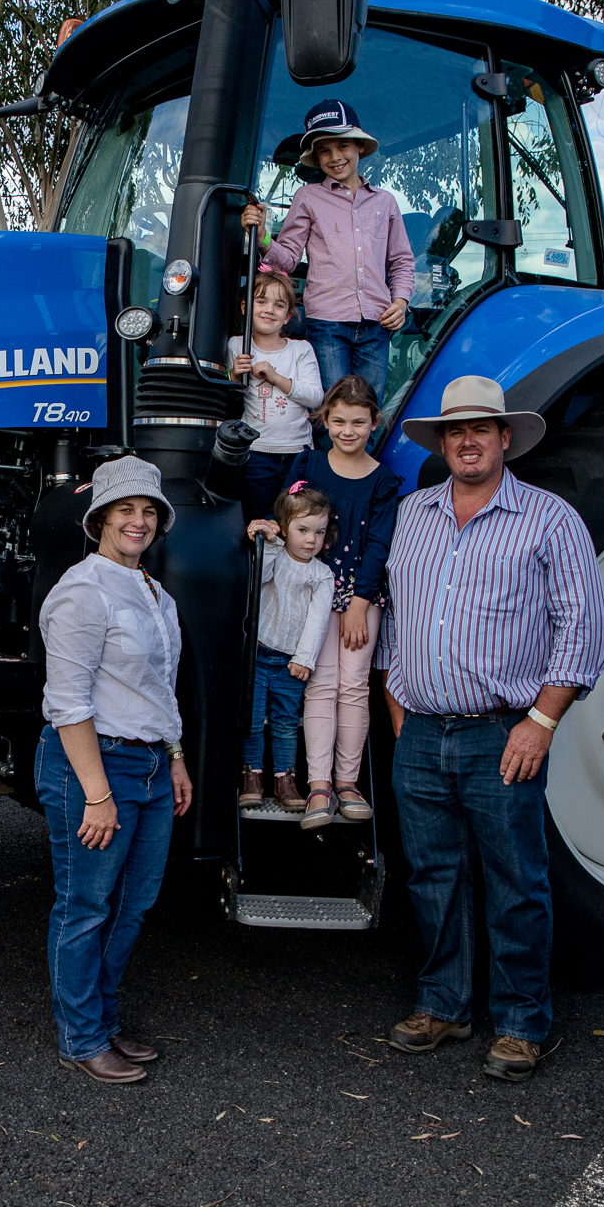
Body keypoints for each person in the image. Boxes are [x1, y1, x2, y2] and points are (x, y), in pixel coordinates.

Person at [379, 375, 604, 1083]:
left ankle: (519, 1022)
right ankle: (443, 1005)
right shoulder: (413, 513)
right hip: (420, 732)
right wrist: (397, 700)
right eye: (456, 430)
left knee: (516, 881)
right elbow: (395, 614)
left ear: (506, 437)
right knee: (432, 878)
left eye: (481, 428)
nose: (468, 441)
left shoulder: (550, 519)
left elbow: (583, 626)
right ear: (443, 442)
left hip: (501, 733)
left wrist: (541, 721)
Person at [36, 455, 195, 1085]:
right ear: (100, 518)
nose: (138, 521)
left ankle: (102, 1021)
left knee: (133, 904)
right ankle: (81, 1038)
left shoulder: (157, 594)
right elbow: (67, 703)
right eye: (125, 509)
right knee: (85, 906)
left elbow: (160, 689)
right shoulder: (82, 591)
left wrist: (175, 758)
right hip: (94, 765)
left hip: (150, 764)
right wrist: (97, 794)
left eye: (148, 511)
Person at [249, 376, 402, 830]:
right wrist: (265, 527)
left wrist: (359, 604)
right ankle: (318, 784)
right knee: (320, 684)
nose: (348, 431)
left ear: (374, 423)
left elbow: (378, 545)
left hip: (359, 595)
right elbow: (284, 515)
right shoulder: (309, 463)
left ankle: (347, 782)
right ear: (325, 420)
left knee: (353, 685)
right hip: (309, 591)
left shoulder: (383, 480)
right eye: (338, 421)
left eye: (358, 422)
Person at [239, 98, 415, 405]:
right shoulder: (307, 198)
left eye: (342, 146)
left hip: (376, 323)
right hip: (327, 323)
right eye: (324, 150)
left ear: (359, 146)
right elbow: (288, 260)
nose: (335, 157)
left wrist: (400, 302)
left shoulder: (384, 202)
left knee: (368, 410)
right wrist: (263, 236)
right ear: (316, 156)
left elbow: (401, 261)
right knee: (330, 407)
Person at [240, 486, 334, 811]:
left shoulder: (321, 575)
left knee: (285, 723)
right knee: (253, 719)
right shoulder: (274, 556)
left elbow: (318, 620)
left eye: (319, 532)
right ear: (284, 527)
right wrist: (268, 541)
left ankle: (285, 780)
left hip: (290, 662)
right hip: (257, 655)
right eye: (302, 530)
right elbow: (260, 577)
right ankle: (251, 775)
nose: (311, 540)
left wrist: (304, 658)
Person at [227, 273, 324, 523]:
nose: (269, 310)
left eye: (279, 305)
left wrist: (275, 377)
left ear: (288, 316)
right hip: (257, 452)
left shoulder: (300, 349)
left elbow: (316, 397)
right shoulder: (237, 346)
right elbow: (225, 397)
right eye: (261, 301)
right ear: (245, 307)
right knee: (260, 520)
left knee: (295, 519)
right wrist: (234, 375)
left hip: (298, 453)